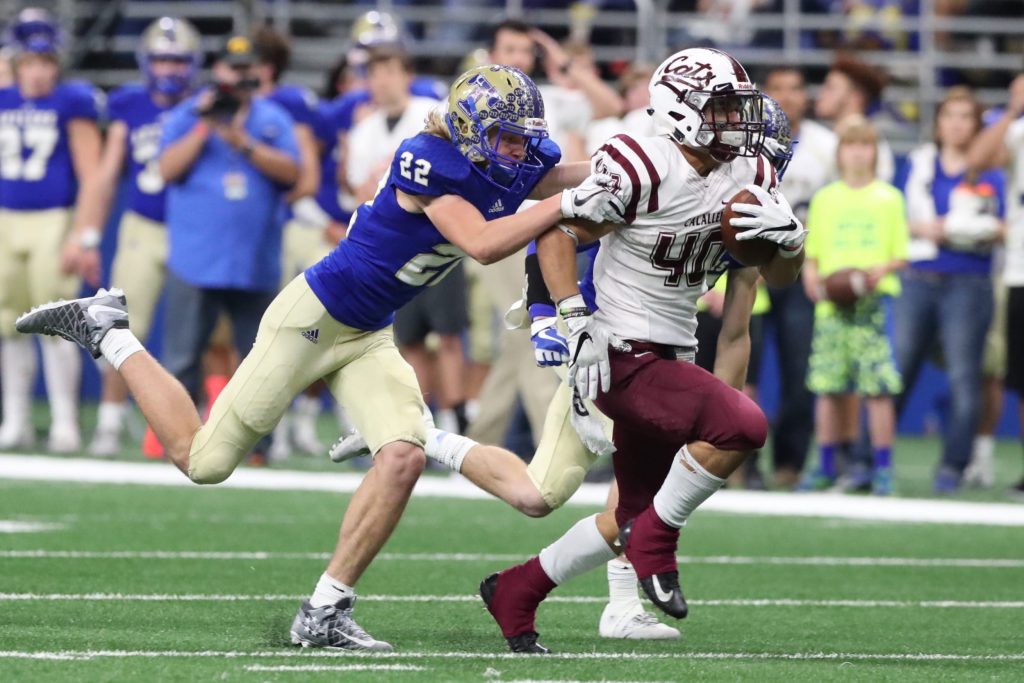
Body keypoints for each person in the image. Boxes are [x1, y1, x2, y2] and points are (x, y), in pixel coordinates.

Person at [16, 64, 624, 651]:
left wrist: (634, 171)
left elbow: (556, 178)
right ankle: (111, 332)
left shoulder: (515, 157)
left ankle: (326, 608)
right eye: (506, 138)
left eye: (524, 138)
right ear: (468, 130)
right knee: (203, 461)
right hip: (312, 318)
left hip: (369, 332)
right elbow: (484, 243)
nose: (518, 151)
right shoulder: (429, 157)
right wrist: (572, 204)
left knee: (403, 457)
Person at [475, 47, 806, 653]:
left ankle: (515, 592)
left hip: (673, 353)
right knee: (743, 425)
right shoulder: (643, 163)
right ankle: (657, 540)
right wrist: (569, 316)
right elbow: (557, 234)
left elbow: (774, 277)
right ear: (680, 111)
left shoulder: (750, 176)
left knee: (624, 520)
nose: (739, 122)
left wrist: (790, 247)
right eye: (724, 109)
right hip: (618, 351)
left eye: (739, 108)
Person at [154, 35, 300, 431]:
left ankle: (257, 444)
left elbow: (293, 174)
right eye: (232, 69)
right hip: (196, 258)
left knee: (260, 359)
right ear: (217, 72)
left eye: (246, 69)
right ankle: (174, 440)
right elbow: (166, 170)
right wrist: (205, 126)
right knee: (183, 356)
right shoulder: (188, 115)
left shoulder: (272, 118)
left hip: (254, 259)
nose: (239, 76)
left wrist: (243, 143)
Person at [80, 16, 203, 456]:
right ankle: (110, 422)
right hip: (142, 227)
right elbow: (107, 174)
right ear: (145, 62)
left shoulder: (205, 106)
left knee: (207, 332)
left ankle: (204, 422)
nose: (169, 69)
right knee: (121, 324)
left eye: (177, 60)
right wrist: (89, 234)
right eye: (161, 59)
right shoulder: (129, 105)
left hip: (194, 228)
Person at [0, 8, 102, 452]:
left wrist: (84, 232)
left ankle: (64, 422)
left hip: (53, 218)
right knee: (7, 322)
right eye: (30, 61)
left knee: (56, 321)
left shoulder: (72, 101)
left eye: (45, 61)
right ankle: (16, 421)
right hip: (5, 218)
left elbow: (92, 172)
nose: (38, 71)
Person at [898, 87, 1006, 493]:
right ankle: (873, 460)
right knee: (898, 372)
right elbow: (898, 217)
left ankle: (954, 466)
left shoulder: (992, 170)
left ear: (976, 125)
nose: (957, 123)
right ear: (938, 123)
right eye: (950, 115)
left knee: (965, 377)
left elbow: (1003, 227)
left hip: (969, 280)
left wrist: (963, 230)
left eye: (966, 116)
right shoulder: (920, 165)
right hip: (919, 276)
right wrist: (930, 228)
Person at [800, 115, 909, 495]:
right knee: (828, 387)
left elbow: (900, 253)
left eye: (866, 145)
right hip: (832, 306)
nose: (858, 152)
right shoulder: (826, 199)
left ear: (875, 152)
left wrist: (881, 269)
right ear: (840, 153)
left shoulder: (889, 198)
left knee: (877, 388)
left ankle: (883, 467)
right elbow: (812, 253)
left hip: (873, 306)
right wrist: (812, 277)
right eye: (851, 145)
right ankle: (827, 465)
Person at [760, 65, 836, 487]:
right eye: (778, 88)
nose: (787, 97)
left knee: (799, 370)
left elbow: (838, 207)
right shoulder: (745, 141)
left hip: (803, 266)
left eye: (794, 88)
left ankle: (789, 463)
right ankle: (738, 464)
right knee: (741, 373)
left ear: (807, 96)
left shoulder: (826, 145)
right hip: (750, 264)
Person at [968, 72, 1024, 496]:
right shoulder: (1018, 129)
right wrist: (1012, 109)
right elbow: (978, 160)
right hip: (1019, 267)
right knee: (1017, 374)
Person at [815, 54, 895, 183]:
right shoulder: (816, 137)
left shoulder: (876, 146)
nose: (821, 94)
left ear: (855, 96)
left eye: (831, 87)